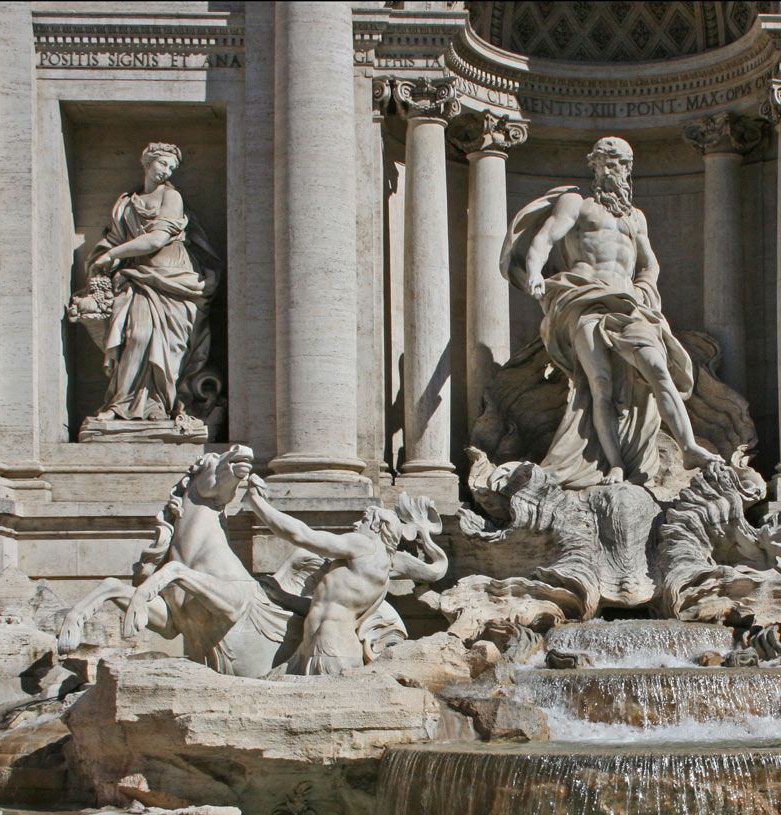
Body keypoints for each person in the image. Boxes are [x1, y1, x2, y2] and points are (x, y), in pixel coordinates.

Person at [501, 136, 720, 487]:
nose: (619, 169)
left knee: (658, 369)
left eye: (625, 163)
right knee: (598, 384)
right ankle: (615, 464)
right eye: (612, 161)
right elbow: (545, 238)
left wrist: (644, 291)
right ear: (596, 164)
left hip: (629, 304)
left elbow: (650, 264)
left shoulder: (635, 218)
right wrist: (535, 274)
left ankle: (689, 446)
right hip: (583, 300)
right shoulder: (577, 204)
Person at [243, 477, 448, 676]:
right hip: (319, 646)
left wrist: (257, 502)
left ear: (377, 526)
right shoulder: (386, 564)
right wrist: (283, 597)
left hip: (332, 648)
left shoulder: (364, 546)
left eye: (365, 520)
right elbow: (324, 607)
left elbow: (301, 535)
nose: (357, 522)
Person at [86, 142, 220, 423]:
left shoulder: (171, 197)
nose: (166, 170)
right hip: (137, 278)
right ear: (147, 161)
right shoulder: (126, 203)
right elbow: (114, 238)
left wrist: (113, 254)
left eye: (171, 167)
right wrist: (101, 256)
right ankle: (120, 404)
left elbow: (157, 239)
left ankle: (160, 405)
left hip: (172, 278)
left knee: (165, 345)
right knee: (135, 336)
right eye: (162, 164)